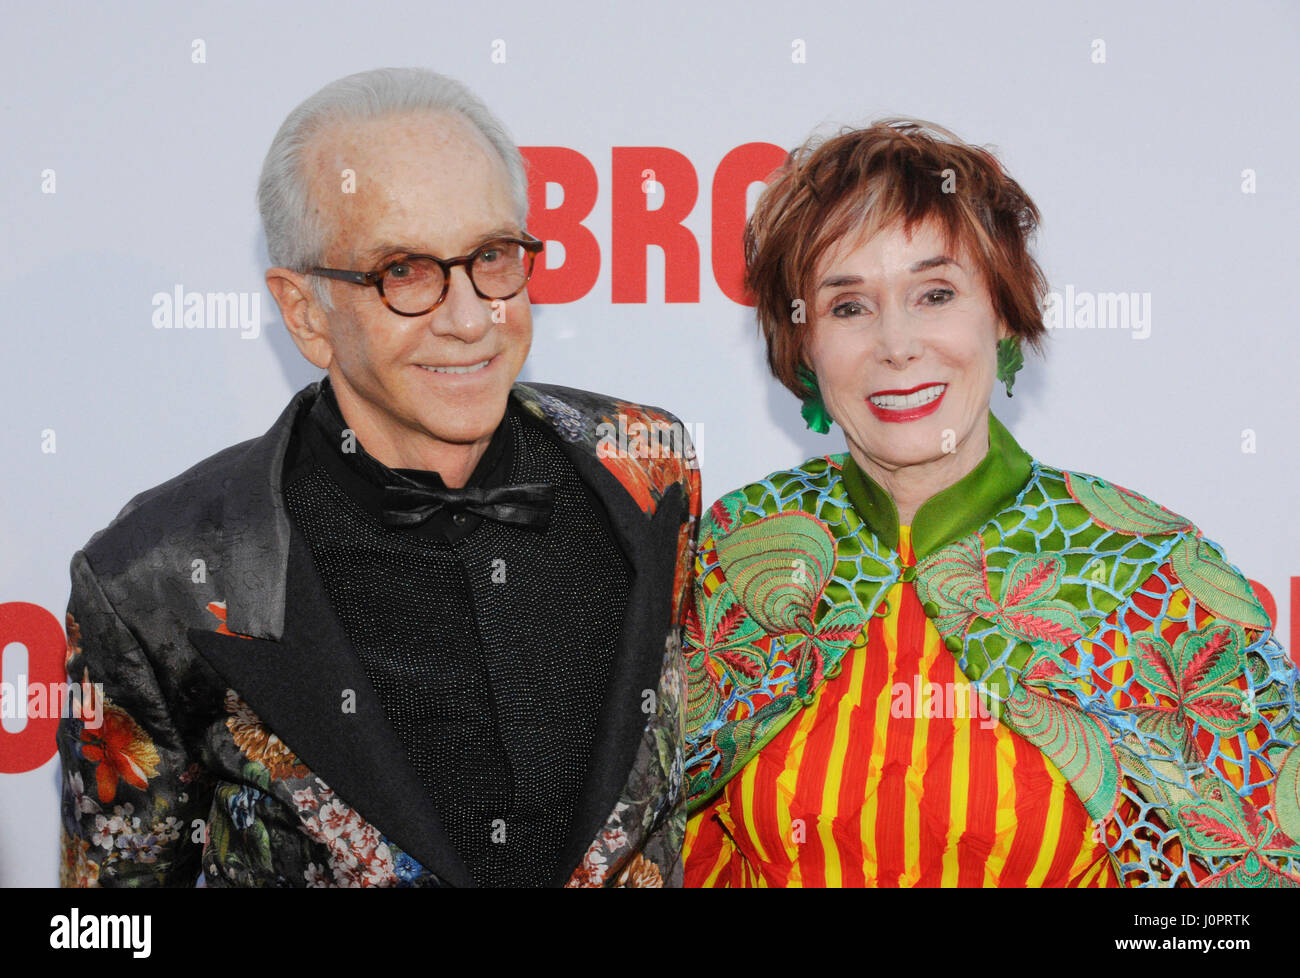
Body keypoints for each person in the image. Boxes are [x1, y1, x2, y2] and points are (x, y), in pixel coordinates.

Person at [56, 67, 699, 888]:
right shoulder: (154, 578)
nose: (470, 320)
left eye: (493, 257)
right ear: (303, 313)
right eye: (403, 271)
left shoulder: (648, 464)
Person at [681, 119, 1300, 887]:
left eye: (934, 293)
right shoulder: (721, 562)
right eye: (848, 306)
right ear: (801, 343)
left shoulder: (1152, 577)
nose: (897, 344)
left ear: (1002, 310)